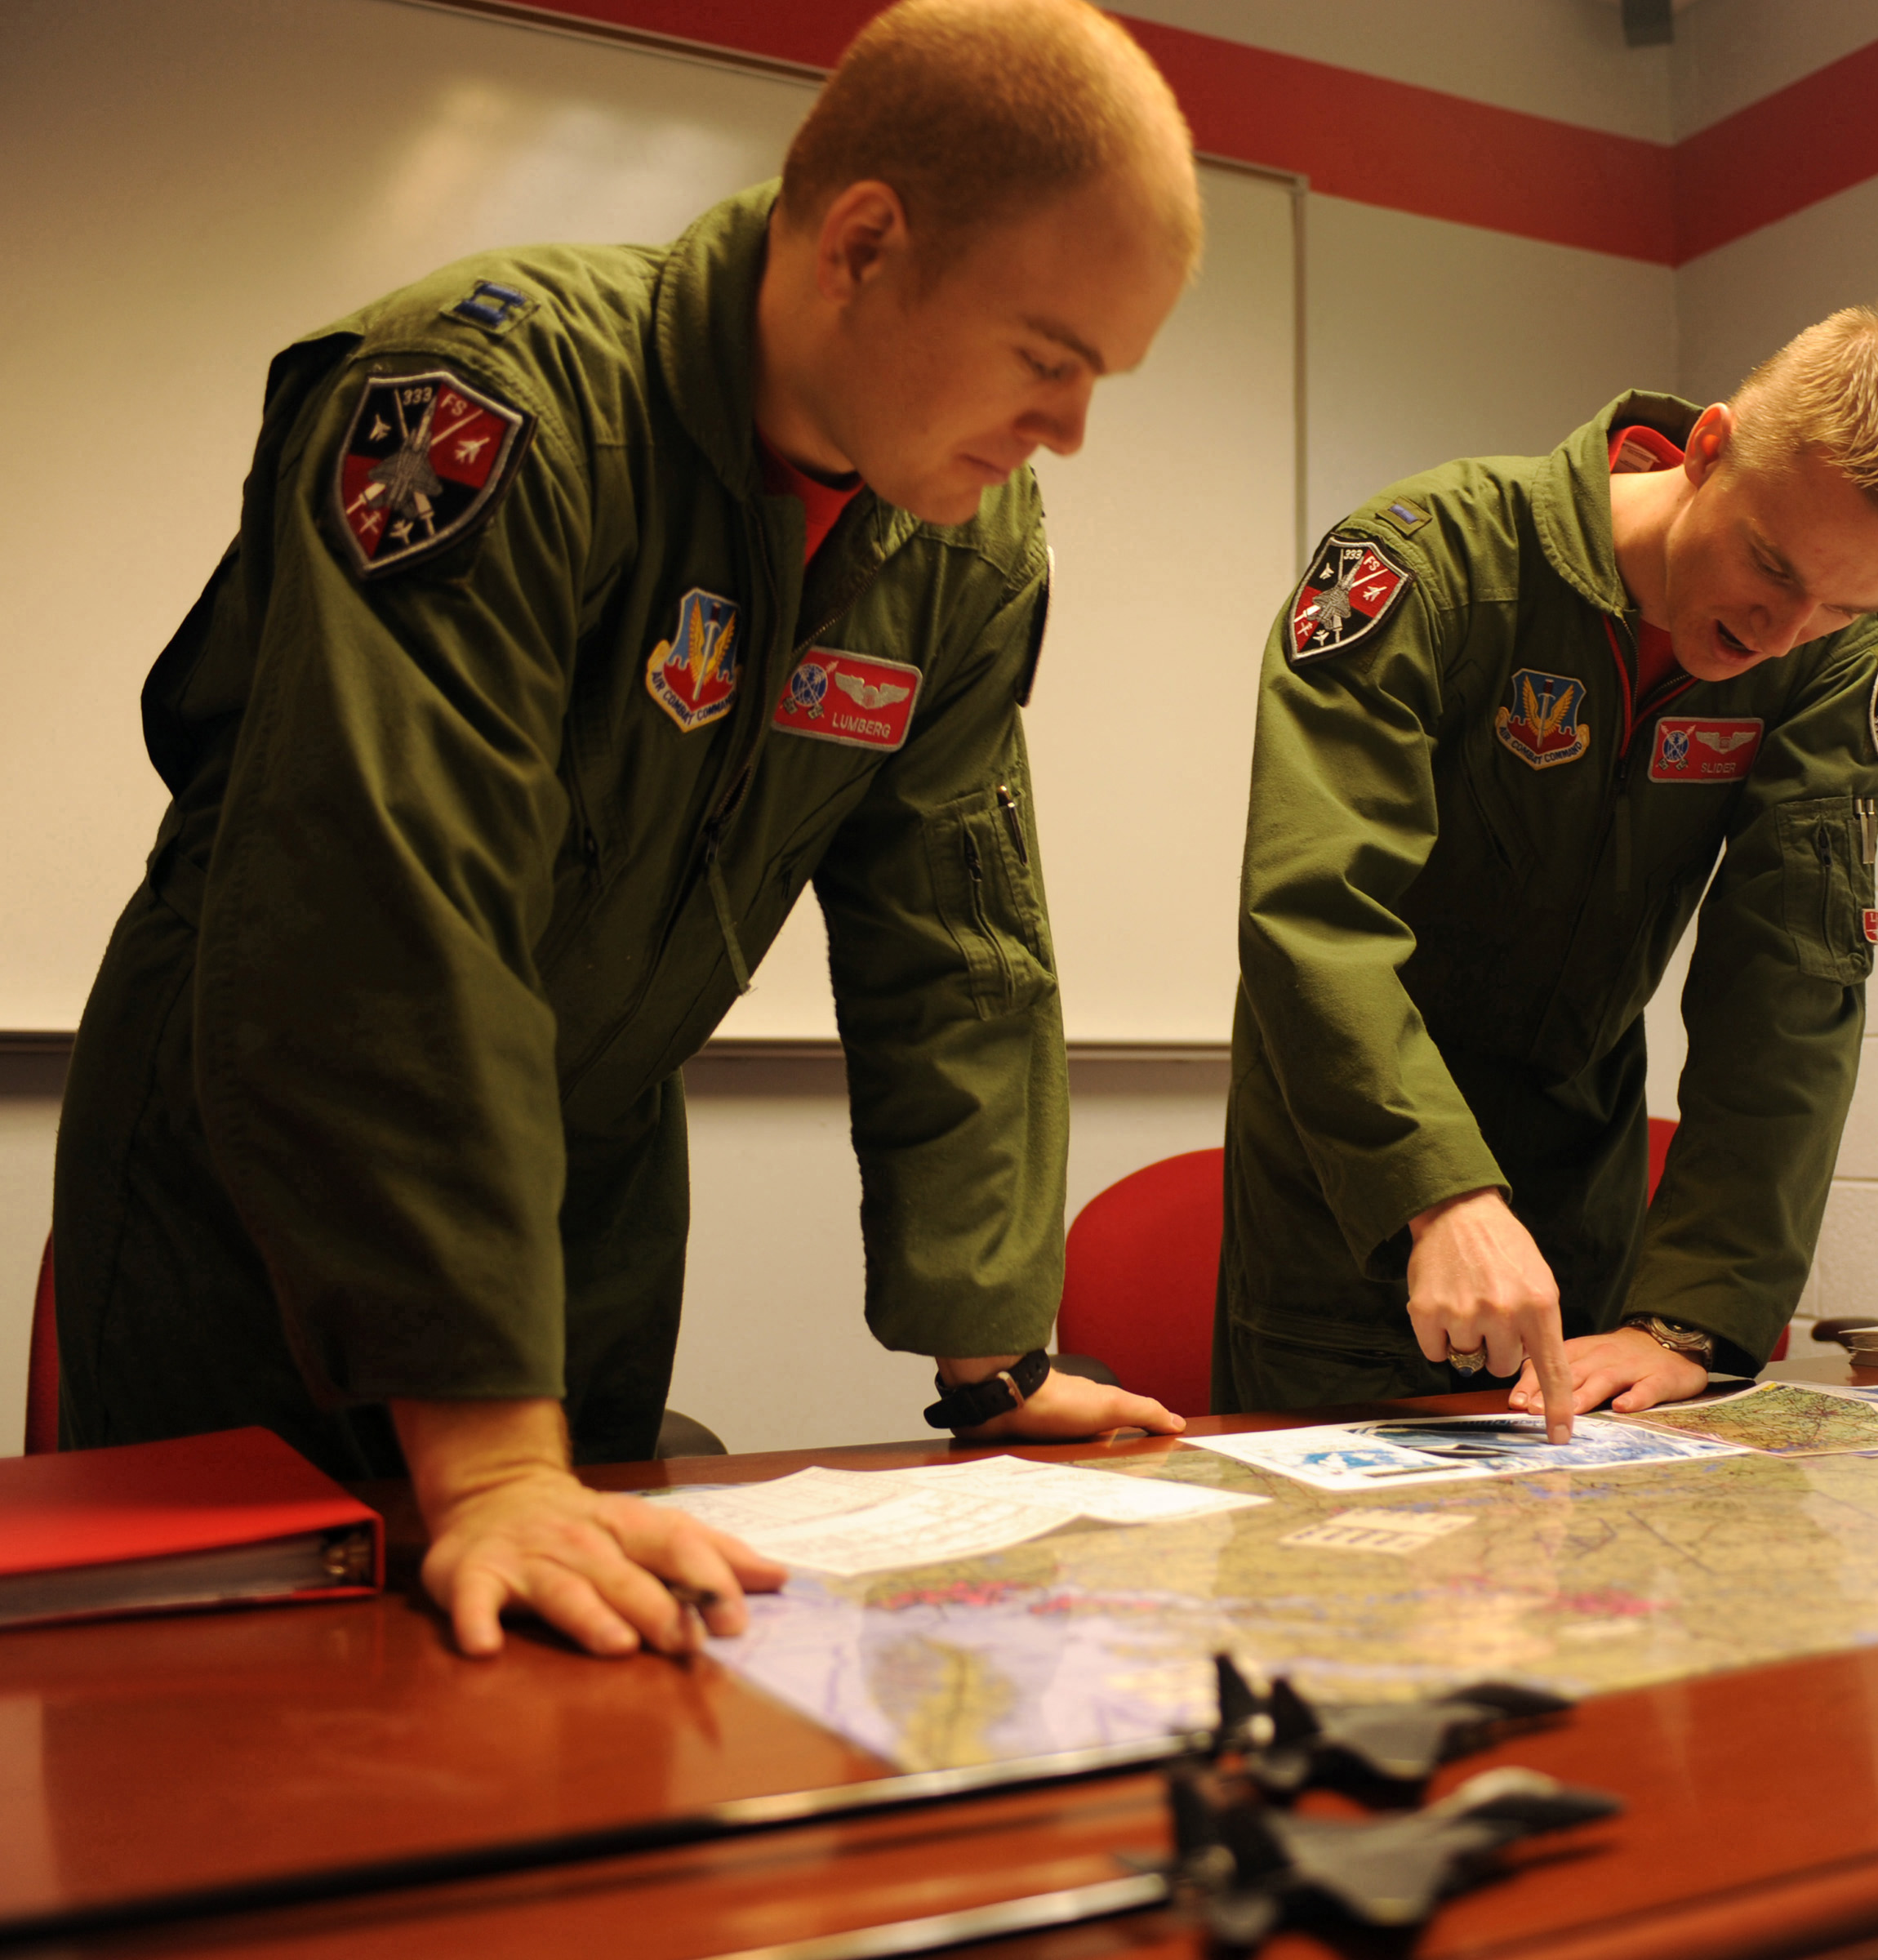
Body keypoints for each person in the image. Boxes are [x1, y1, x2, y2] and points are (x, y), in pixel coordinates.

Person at [51, 0, 1203, 1660]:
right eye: (1049, 360)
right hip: (258, 1164)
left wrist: (991, 1353)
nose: (1071, 433)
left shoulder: (965, 540)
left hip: (585, 1178)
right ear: (865, 245)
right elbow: (381, 900)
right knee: (217, 1709)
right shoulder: (491, 405)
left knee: (565, 1685)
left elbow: (956, 937)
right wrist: (496, 1453)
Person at [1215, 309, 1878, 1438]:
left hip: (1584, 1212)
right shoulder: (1430, 561)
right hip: (1347, 1203)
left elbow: (1792, 982)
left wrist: (1686, 1319)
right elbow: (1316, 911)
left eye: (1845, 605)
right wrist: (1435, 1189)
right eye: (1771, 569)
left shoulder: (1828, 656)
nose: (1786, 632)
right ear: (1705, 450)